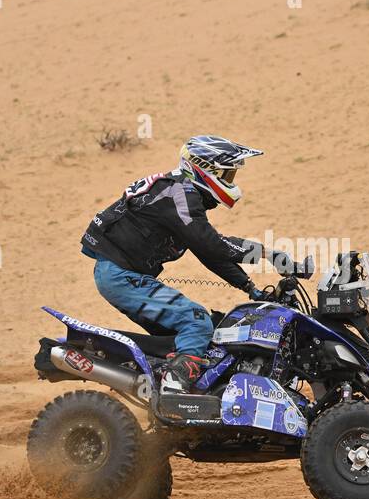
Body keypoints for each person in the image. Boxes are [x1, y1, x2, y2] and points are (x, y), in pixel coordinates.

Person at [81, 135, 268, 393]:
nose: (230, 181)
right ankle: (175, 387)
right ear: (206, 170)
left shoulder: (178, 192)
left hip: (120, 275)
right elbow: (213, 244)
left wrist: (248, 286)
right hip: (121, 276)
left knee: (204, 331)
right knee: (197, 321)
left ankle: (184, 387)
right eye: (227, 173)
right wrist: (269, 255)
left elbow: (209, 253)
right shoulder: (180, 194)